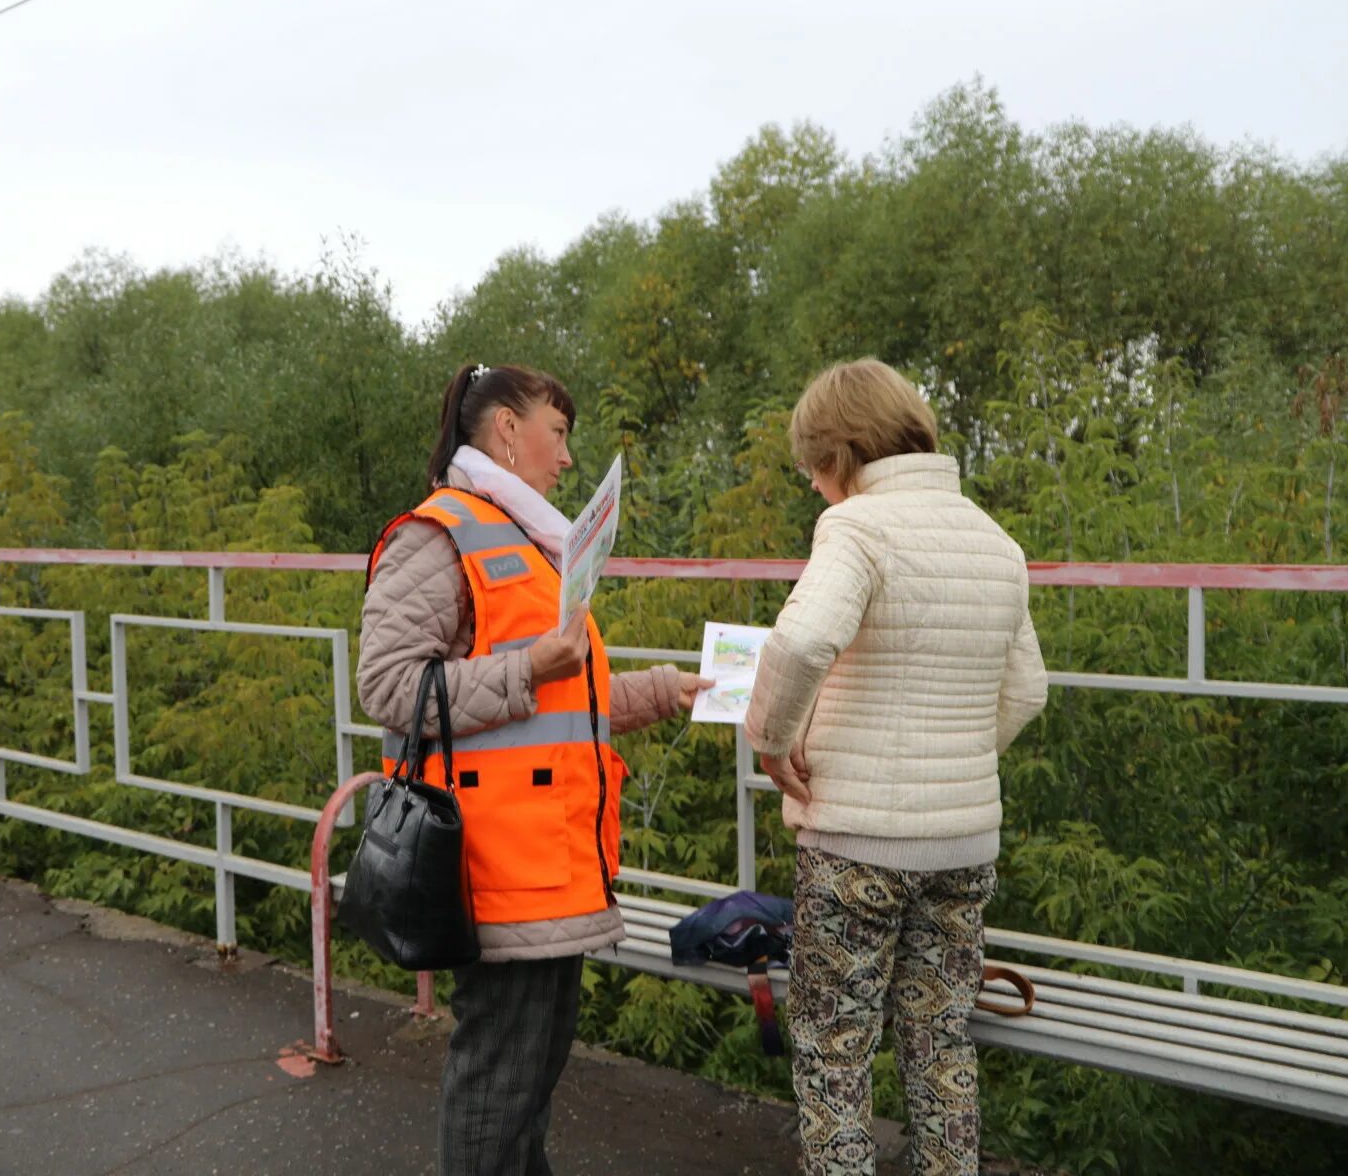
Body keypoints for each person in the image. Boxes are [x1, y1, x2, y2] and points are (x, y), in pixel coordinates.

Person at [357, 362, 709, 1176]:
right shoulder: (439, 535)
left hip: (550, 863)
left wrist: (664, 690)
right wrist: (527, 668)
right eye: (559, 433)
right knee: (500, 1081)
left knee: (530, 1079)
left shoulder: (528, 540)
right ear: (508, 430)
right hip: (497, 864)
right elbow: (387, 688)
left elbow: (558, 701)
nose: (568, 457)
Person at [741, 359, 1048, 1176]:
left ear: (840, 455)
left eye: (811, 468)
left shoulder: (857, 528)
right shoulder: (995, 540)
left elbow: (804, 642)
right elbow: (1028, 692)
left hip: (856, 846)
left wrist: (773, 741)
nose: (814, 486)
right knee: (940, 1045)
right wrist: (956, 762)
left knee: (835, 1050)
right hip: (963, 848)